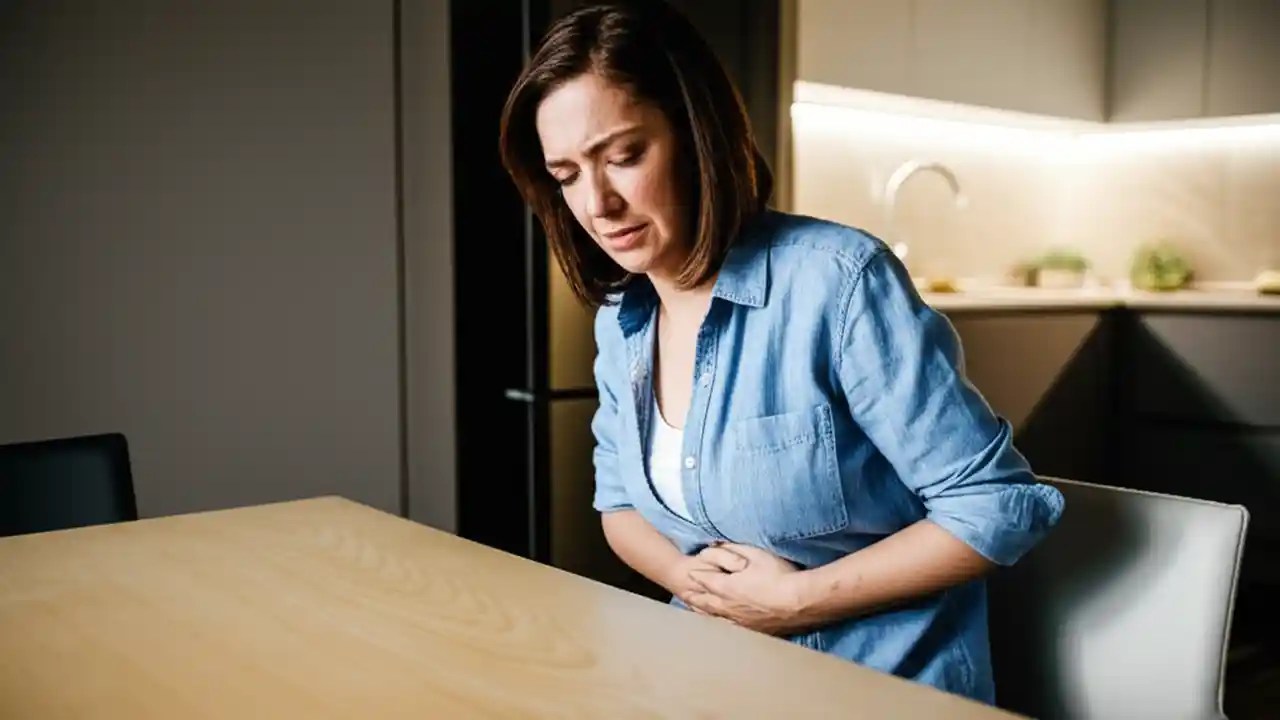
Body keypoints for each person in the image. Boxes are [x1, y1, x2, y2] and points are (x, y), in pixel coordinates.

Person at [498, 0, 1064, 705]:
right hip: (713, 678)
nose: (598, 204)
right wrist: (689, 583)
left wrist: (795, 600)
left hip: (880, 690)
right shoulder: (624, 318)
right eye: (567, 175)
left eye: (623, 156)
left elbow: (996, 506)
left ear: (696, 134)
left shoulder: (837, 282)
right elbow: (620, 509)